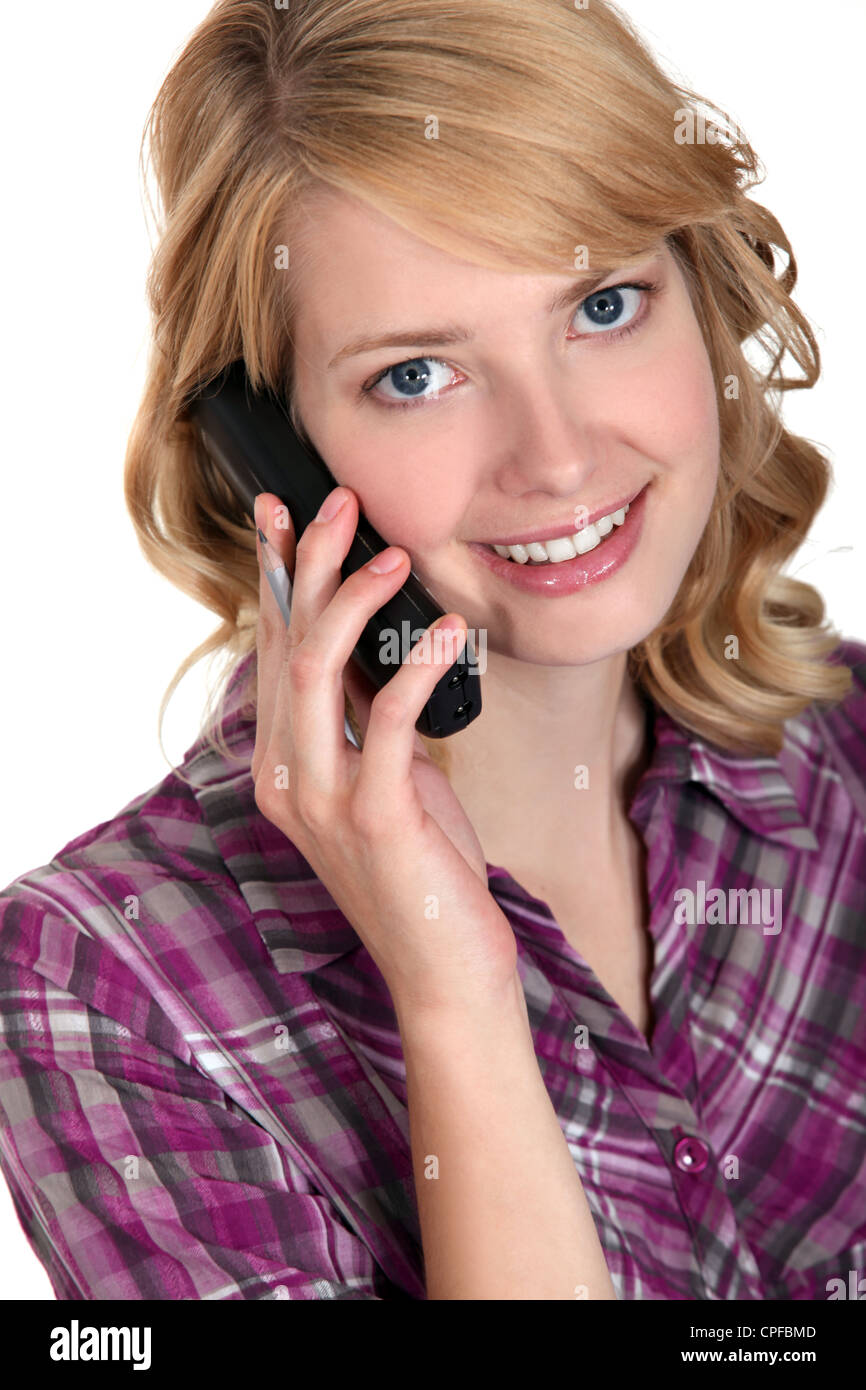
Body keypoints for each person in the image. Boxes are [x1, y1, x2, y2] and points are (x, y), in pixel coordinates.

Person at [1, 0, 864, 1301]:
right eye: (416, 375)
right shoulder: (109, 978)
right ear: (266, 448)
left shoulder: (847, 763)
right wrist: (453, 994)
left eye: (603, 302)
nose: (559, 455)